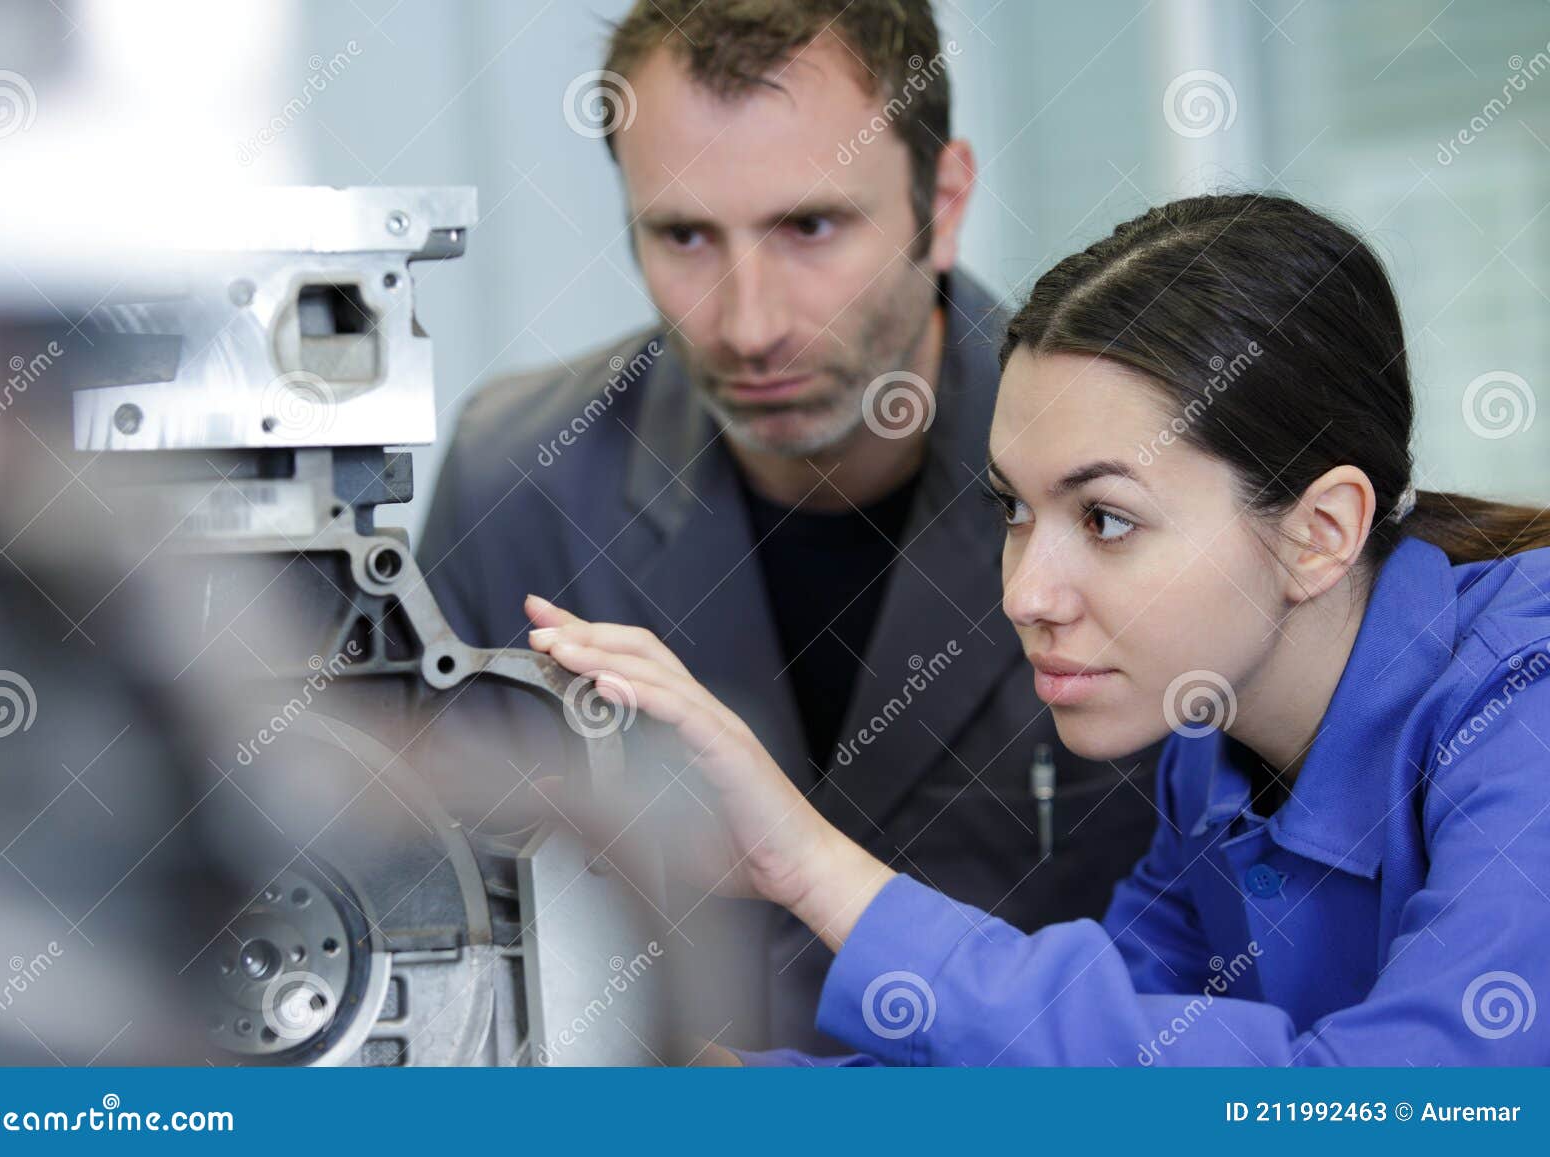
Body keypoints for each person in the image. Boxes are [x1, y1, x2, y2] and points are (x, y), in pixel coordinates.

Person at [524, 193, 1550, 1066]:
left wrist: (814, 866)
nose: (1026, 592)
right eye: (1014, 508)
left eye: (1105, 518)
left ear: (1321, 533)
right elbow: (1067, 1082)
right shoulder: (1208, 753)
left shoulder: (1527, 709)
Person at [418, 0, 1161, 1053]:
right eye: (682, 234)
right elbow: (428, 920)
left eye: (809, 227)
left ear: (941, 202)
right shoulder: (520, 478)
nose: (749, 322)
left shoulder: (1150, 470)